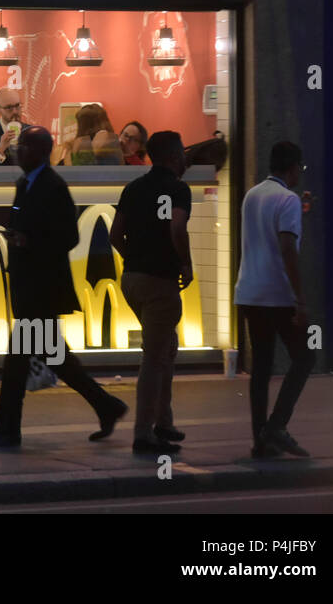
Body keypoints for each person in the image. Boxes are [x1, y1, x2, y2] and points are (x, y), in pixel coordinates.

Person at [0, 126, 128, 447]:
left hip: (41, 290)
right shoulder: (25, 184)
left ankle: (7, 430)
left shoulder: (52, 186)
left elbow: (68, 236)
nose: (18, 151)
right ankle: (107, 405)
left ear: (40, 152)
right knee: (57, 358)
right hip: (30, 287)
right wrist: (17, 236)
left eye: (25, 146)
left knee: (17, 363)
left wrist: (30, 241)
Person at [109, 131, 192, 453]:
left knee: (166, 347)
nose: (185, 159)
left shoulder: (134, 187)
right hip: (160, 282)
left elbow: (116, 234)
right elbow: (177, 227)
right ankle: (144, 433)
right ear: (173, 157)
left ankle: (164, 421)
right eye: (182, 153)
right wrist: (186, 264)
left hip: (132, 280)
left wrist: (132, 259)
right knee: (155, 357)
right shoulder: (178, 189)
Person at [234, 141, 316, 459]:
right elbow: (286, 248)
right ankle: (276, 426)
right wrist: (301, 299)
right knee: (305, 358)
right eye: (301, 168)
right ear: (293, 166)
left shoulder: (253, 195)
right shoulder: (288, 199)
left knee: (262, 368)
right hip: (277, 295)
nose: (300, 174)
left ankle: (261, 440)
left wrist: (300, 209)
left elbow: (265, 232)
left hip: (249, 293)